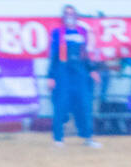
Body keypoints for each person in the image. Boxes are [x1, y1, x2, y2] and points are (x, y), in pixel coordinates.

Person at [47, 4, 101, 147]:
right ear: (63, 17)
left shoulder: (82, 32)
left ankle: (87, 137)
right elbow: (53, 55)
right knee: (61, 105)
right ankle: (58, 138)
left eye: (72, 13)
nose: (70, 16)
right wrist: (51, 76)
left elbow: (86, 53)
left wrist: (91, 69)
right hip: (63, 73)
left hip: (80, 73)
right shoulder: (58, 32)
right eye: (67, 13)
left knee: (84, 105)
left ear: (76, 16)